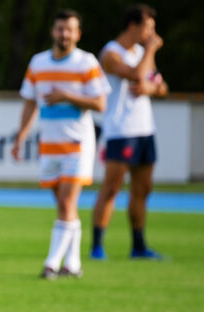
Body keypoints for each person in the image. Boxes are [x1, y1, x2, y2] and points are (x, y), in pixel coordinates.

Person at [12, 9, 109, 279]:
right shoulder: (38, 63)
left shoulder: (85, 62)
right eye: (60, 29)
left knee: (66, 201)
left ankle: (51, 264)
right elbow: (30, 101)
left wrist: (67, 96)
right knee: (65, 206)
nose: (64, 34)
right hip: (50, 143)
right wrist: (21, 135)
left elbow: (100, 103)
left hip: (77, 143)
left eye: (69, 30)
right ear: (52, 31)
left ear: (77, 34)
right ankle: (73, 264)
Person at [91, 4, 168, 260]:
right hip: (120, 130)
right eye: (148, 28)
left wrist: (152, 88)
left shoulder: (141, 52)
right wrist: (151, 51)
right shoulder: (111, 53)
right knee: (112, 188)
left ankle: (138, 246)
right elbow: (137, 74)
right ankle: (97, 246)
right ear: (133, 26)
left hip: (145, 129)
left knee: (143, 189)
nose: (151, 34)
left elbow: (160, 85)